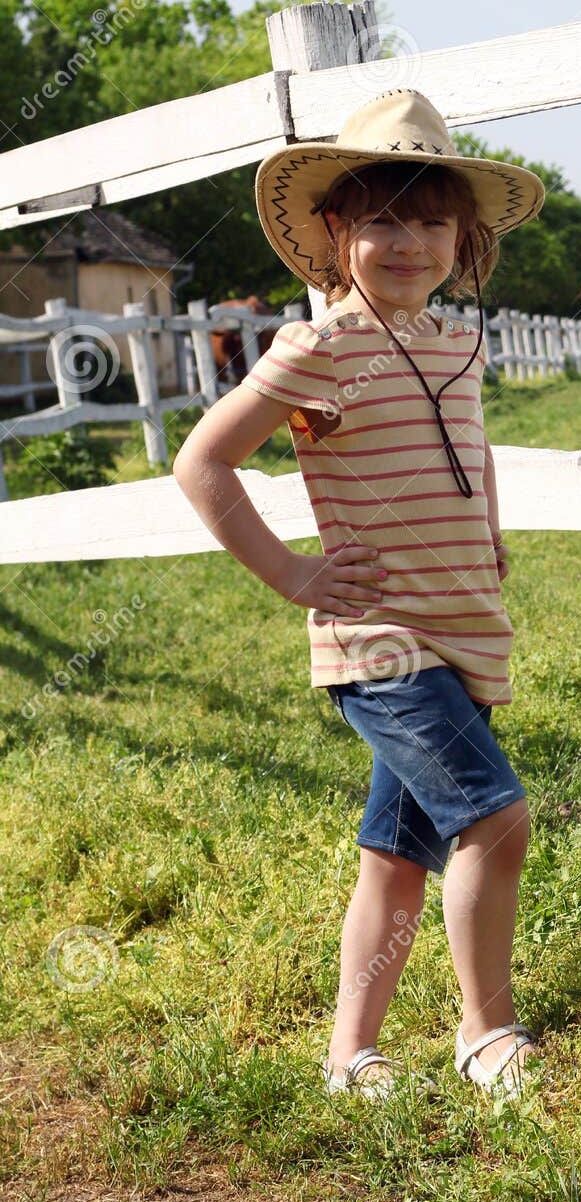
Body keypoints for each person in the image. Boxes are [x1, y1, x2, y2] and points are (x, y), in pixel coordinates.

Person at [173, 87, 547, 1102]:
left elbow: (468, 450)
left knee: (395, 855)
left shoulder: (457, 343)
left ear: (462, 236)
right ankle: (485, 1031)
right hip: (379, 640)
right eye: (382, 219)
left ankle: (350, 1055)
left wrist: (491, 537)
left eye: (431, 221)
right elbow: (202, 462)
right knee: (495, 819)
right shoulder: (318, 348)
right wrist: (294, 573)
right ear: (336, 231)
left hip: (463, 626)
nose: (408, 243)